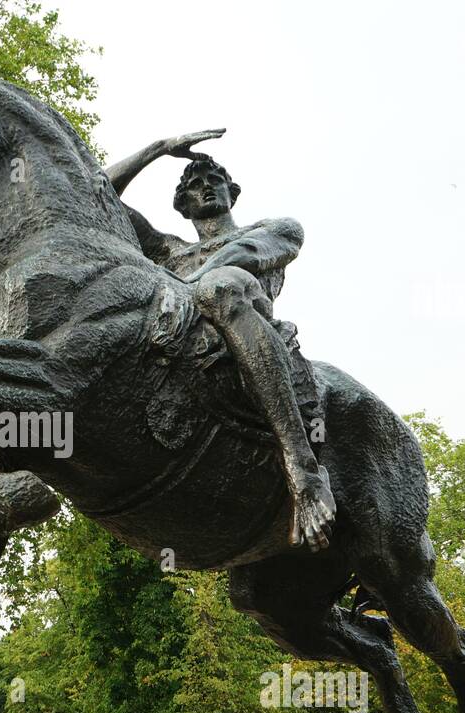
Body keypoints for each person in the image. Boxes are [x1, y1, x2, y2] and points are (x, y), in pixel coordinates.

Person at [105, 130, 335, 552]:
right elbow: (96, 192)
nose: (205, 185)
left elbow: (244, 254)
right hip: (180, 356)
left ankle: (303, 470)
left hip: (243, 343)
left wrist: (189, 283)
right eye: (194, 183)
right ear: (182, 204)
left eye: (213, 178)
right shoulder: (166, 251)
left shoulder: (276, 228)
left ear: (233, 191)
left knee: (221, 285)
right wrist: (157, 150)